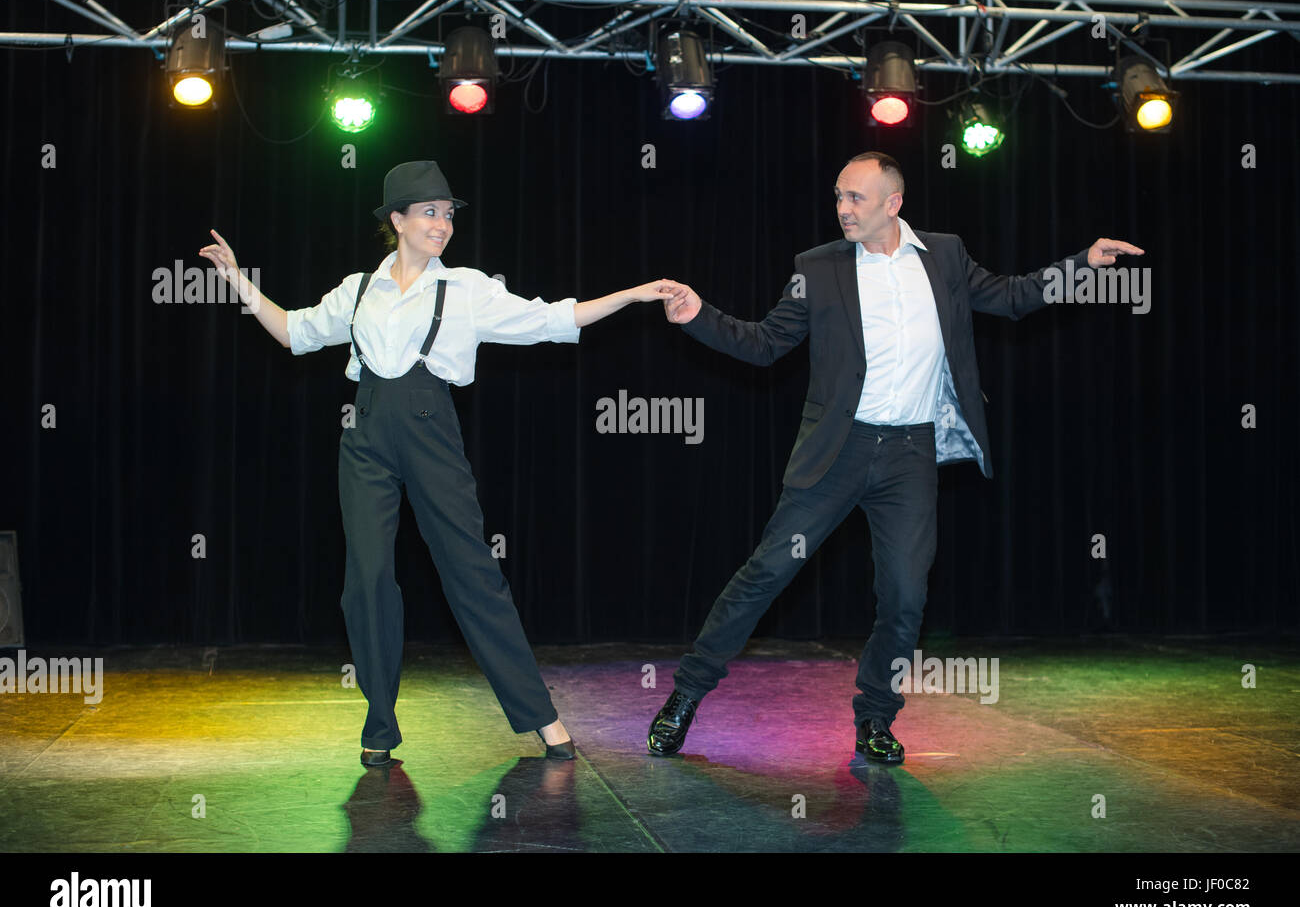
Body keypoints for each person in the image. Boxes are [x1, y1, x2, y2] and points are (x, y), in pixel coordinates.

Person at [649, 151, 1143, 765]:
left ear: (893, 203)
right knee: (766, 575)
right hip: (837, 451)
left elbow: (1013, 297)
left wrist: (1081, 266)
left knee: (906, 595)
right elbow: (766, 343)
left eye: (855, 198)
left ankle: (876, 719)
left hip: (910, 452)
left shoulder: (946, 256)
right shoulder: (818, 268)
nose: (842, 209)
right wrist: (701, 316)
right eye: (837, 197)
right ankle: (685, 696)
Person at [200, 159, 673, 767]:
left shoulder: (467, 288)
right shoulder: (357, 290)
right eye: (429, 213)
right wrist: (238, 280)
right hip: (366, 435)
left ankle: (540, 715)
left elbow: (552, 319)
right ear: (397, 220)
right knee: (366, 579)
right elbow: (293, 333)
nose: (442, 224)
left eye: (448, 214)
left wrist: (631, 295)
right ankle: (379, 720)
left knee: (471, 573)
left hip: (431, 431)